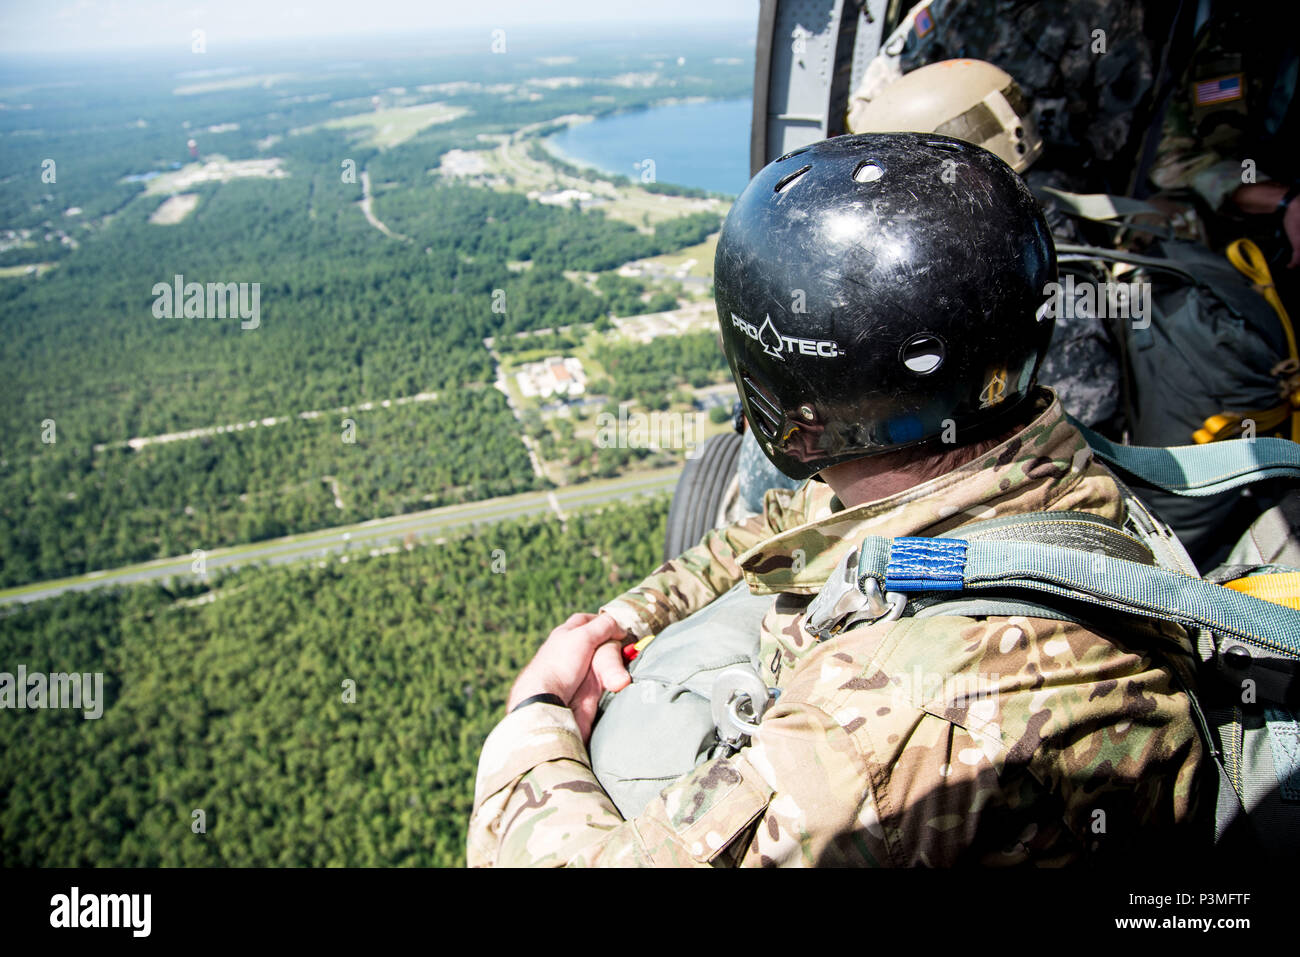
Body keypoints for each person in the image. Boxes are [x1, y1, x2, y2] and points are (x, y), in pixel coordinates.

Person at [467, 133, 1205, 867]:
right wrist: (622, 620)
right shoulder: (1033, 458)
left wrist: (533, 714)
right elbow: (794, 528)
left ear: (797, 405)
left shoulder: (880, 721)